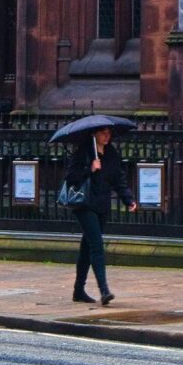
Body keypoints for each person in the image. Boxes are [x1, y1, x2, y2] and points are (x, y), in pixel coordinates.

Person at [64, 126, 137, 305]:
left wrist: (128, 200)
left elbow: (118, 179)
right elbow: (71, 177)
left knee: (86, 248)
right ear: (94, 134)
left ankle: (78, 290)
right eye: (103, 133)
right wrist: (90, 169)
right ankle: (104, 290)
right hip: (85, 204)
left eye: (109, 133)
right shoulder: (83, 153)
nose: (107, 136)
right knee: (97, 245)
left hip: (102, 206)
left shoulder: (111, 153)